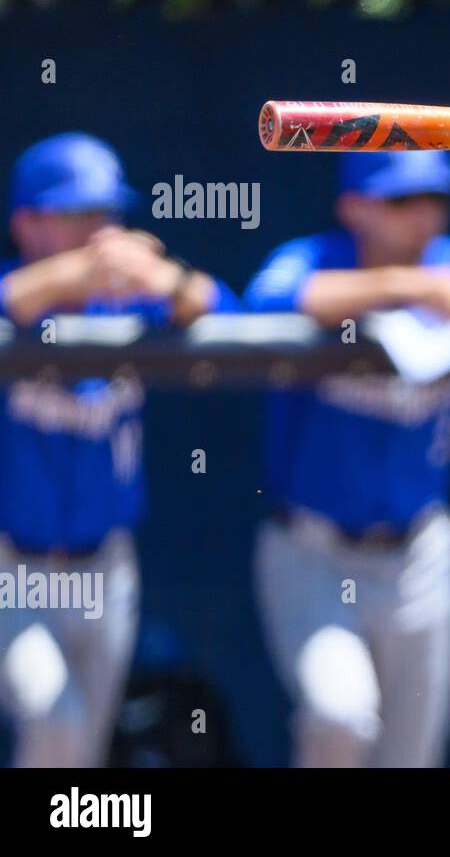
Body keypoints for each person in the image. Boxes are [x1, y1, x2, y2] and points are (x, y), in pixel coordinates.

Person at [244, 150, 450, 767]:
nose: (424, 216)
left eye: (435, 199)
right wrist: (404, 287)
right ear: (354, 207)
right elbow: (263, 299)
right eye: (402, 202)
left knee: (410, 758)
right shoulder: (320, 259)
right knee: (338, 715)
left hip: (418, 554)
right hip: (312, 550)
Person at [0, 132, 240, 767]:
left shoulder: (132, 300)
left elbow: (232, 318)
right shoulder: (11, 291)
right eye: (77, 214)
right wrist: (67, 275)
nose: (97, 233)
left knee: (82, 744)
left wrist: (166, 277)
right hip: (12, 565)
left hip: (105, 563)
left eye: (106, 215)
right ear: (25, 223)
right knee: (54, 719)